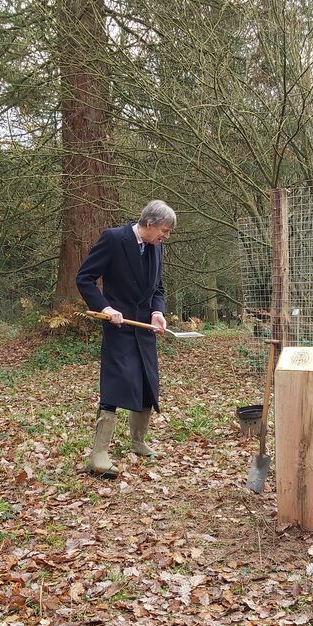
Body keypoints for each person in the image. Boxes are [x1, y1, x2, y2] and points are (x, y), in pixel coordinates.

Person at [75, 199, 176, 477]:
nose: (166, 237)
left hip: (144, 329)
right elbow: (84, 278)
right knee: (116, 384)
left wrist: (157, 312)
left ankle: (138, 441)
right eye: (164, 230)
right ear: (149, 223)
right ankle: (99, 454)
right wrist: (105, 307)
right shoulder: (114, 239)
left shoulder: (157, 247)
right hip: (119, 329)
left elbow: (158, 287)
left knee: (146, 383)